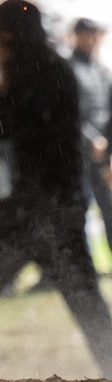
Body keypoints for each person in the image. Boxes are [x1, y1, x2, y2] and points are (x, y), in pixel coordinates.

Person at [0, 0, 112, 378]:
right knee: (87, 305)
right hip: (53, 204)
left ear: (11, 36)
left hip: (40, 206)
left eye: (0, 38)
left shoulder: (36, 72)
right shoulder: (49, 68)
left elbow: (7, 125)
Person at [69, 18, 112, 254]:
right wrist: (90, 139)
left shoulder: (101, 70)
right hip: (78, 153)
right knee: (78, 209)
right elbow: (68, 113)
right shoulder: (68, 69)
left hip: (103, 154)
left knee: (109, 206)